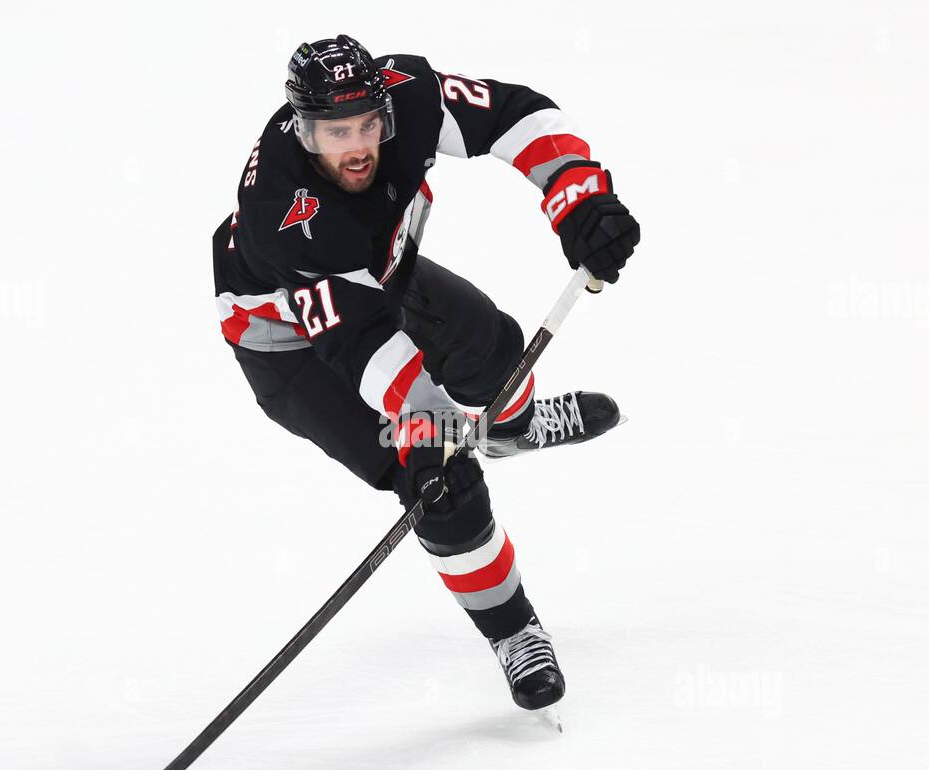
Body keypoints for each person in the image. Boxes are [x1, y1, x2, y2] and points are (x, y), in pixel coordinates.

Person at [212, 36, 640, 712]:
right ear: (302, 127)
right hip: (292, 348)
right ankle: (513, 629)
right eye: (335, 132)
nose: (358, 147)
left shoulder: (408, 93)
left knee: (494, 350)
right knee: (437, 482)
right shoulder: (283, 218)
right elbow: (357, 345)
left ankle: (512, 427)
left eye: (369, 126)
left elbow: (516, 116)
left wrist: (576, 197)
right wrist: (429, 426)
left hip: (379, 271)